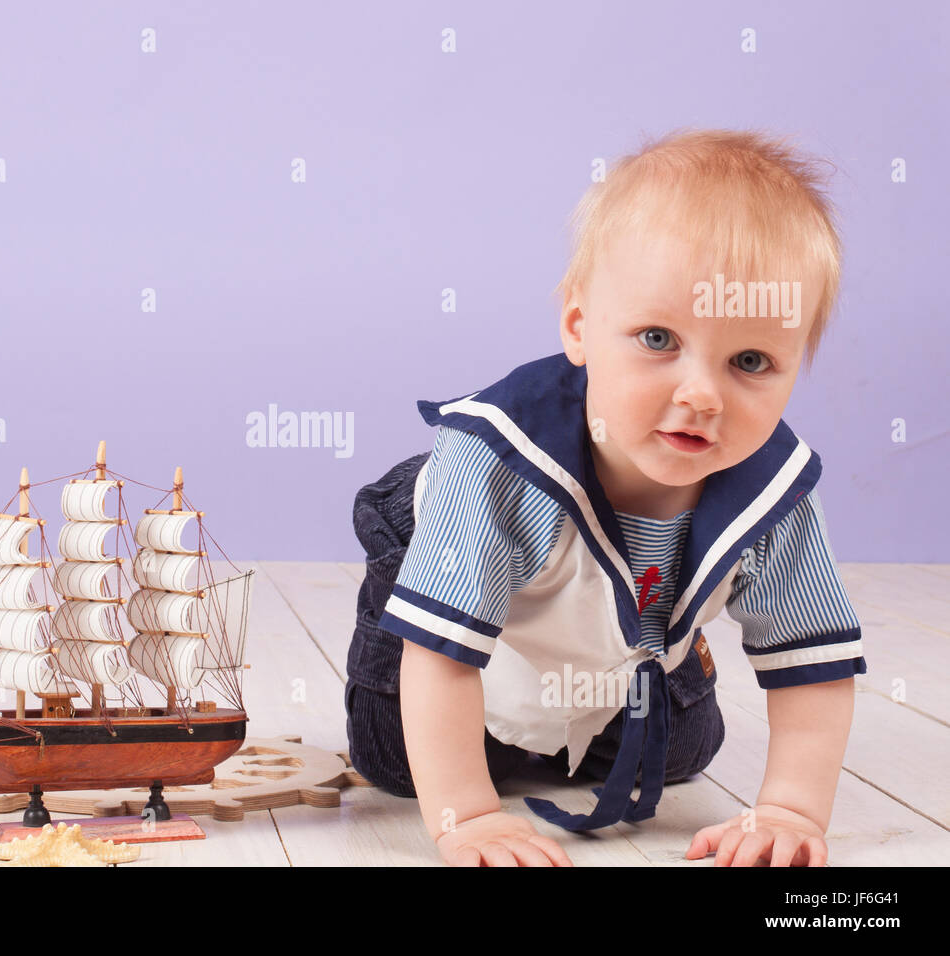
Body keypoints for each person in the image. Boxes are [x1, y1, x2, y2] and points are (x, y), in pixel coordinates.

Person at [346, 129, 865, 867]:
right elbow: (441, 661)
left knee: (683, 752)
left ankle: (657, 630)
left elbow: (814, 664)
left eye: (750, 361)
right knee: (397, 762)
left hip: (622, 604)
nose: (701, 395)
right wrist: (469, 820)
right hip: (453, 555)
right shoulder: (497, 464)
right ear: (579, 327)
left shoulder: (774, 496)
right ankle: (413, 602)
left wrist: (788, 810)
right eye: (657, 338)